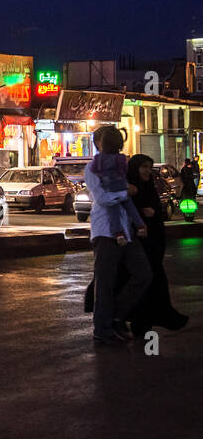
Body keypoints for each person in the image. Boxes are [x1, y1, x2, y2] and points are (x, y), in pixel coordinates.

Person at [84, 126, 151, 346]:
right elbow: (102, 199)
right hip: (105, 231)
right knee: (105, 282)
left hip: (126, 230)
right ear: (98, 144)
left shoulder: (121, 165)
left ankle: (116, 316)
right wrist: (126, 192)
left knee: (144, 274)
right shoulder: (92, 168)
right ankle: (102, 330)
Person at [122, 154, 189, 337]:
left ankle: (144, 322)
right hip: (136, 245)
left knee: (154, 282)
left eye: (148, 167)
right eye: (142, 167)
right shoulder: (130, 189)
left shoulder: (149, 187)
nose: (145, 170)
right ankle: (136, 321)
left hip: (152, 245)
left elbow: (157, 217)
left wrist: (153, 213)